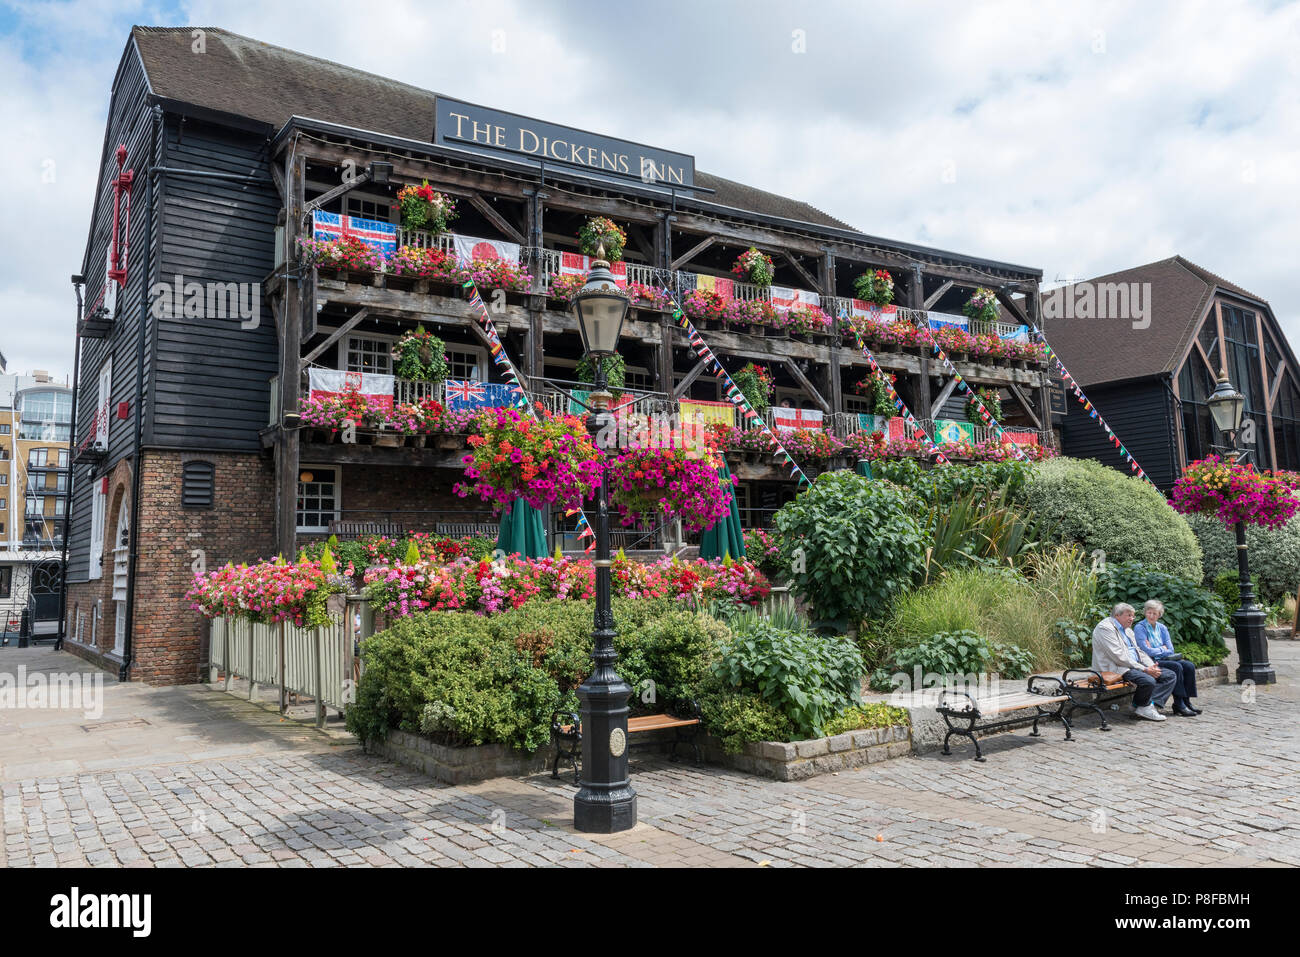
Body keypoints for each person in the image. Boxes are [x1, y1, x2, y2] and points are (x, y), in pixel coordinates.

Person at [1091, 602, 1177, 722]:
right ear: (1117, 615)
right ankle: (1145, 706)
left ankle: (1144, 706)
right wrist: (1145, 669)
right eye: (1129, 615)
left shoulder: (1128, 630)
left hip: (1133, 665)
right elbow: (1118, 657)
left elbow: (1140, 652)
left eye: (1133, 616)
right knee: (1148, 680)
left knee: (1169, 675)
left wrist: (1151, 666)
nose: (1132, 619)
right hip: (1116, 667)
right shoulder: (1105, 628)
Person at [1134, 599, 1201, 716]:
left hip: (1165, 658)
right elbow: (1146, 651)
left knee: (1189, 666)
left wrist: (1158, 649)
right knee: (1176, 666)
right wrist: (1162, 648)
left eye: (1155, 613)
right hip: (1151, 661)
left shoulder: (1162, 628)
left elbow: (1171, 649)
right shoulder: (1140, 627)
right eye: (1149, 612)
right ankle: (1179, 703)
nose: (1151, 615)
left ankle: (1187, 701)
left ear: (1159, 615)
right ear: (1145, 612)